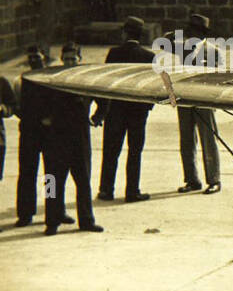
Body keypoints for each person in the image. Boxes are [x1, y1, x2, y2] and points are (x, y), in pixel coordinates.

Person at [42, 43, 102, 234]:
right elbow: (39, 101)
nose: (69, 62)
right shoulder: (52, 79)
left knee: (83, 181)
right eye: (66, 59)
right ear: (61, 60)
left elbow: (104, 98)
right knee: (52, 180)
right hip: (56, 138)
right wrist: (44, 118)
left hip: (79, 138)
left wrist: (97, 117)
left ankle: (86, 220)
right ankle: (52, 220)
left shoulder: (85, 80)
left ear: (79, 59)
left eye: (72, 59)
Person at [95, 16, 156, 201]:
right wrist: (147, 107)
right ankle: (132, 191)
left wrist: (102, 109)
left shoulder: (113, 53)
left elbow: (104, 83)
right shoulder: (149, 56)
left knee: (111, 151)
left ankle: (106, 189)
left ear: (125, 32)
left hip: (116, 110)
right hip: (138, 112)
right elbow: (152, 85)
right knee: (135, 151)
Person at [177, 12, 222, 194]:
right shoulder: (182, 49)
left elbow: (220, 76)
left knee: (208, 139)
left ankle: (214, 179)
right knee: (186, 140)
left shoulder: (213, 51)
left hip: (204, 100)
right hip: (185, 99)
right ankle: (192, 179)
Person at [14, 45, 50, 227]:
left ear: (45, 57)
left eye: (37, 57)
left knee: (51, 175)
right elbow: (16, 106)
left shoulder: (52, 78)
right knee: (27, 173)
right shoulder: (21, 80)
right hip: (29, 133)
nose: (33, 60)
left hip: (50, 133)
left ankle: (54, 210)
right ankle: (25, 213)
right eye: (31, 58)